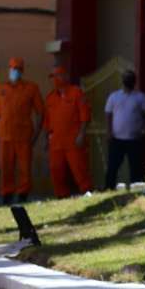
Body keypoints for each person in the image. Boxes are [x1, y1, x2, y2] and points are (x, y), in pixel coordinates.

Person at [0, 57, 44, 202]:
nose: (15, 71)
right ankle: (6, 194)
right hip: (5, 136)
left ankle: (23, 195)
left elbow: (40, 112)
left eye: (18, 69)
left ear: (22, 71)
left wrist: (36, 135)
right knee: (5, 168)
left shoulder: (31, 88)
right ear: (9, 69)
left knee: (24, 169)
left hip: (24, 136)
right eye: (13, 68)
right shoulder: (0, 89)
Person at [44, 67, 94, 198]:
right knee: (56, 169)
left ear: (65, 76)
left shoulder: (76, 93)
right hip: (56, 141)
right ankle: (61, 195)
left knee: (79, 168)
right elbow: (47, 121)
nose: (55, 79)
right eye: (53, 77)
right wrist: (46, 139)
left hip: (73, 139)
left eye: (57, 76)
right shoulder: (50, 98)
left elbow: (85, 115)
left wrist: (82, 134)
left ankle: (86, 191)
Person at [102, 70, 145, 191]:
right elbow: (108, 114)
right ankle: (109, 188)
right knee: (113, 166)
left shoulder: (140, 97)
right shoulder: (114, 96)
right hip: (117, 139)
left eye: (130, 79)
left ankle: (136, 188)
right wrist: (109, 131)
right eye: (126, 78)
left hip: (134, 139)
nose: (127, 81)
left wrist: (144, 129)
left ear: (134, 82)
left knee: (135, 166)